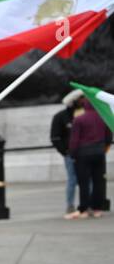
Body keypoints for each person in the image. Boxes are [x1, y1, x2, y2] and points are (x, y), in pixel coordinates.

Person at [70, 95, 111, 218]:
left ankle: (84, 209)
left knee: (84, 182)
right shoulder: (103, 118)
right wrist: (103, 149)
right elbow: (109, 137)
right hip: (99, 153)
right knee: (99, 181)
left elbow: (74, 140)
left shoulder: (79, 119)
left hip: (83, 154)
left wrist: (72, 154)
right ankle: (97, 208)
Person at [52, 90, 82, 218]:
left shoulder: (83, 115)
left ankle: (87, 205)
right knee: (72, 179)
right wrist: (65, 151)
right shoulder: (61, 117)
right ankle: (70, 205)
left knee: (87, 180)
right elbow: (55, 137)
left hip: (84, 153)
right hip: (70, 154)